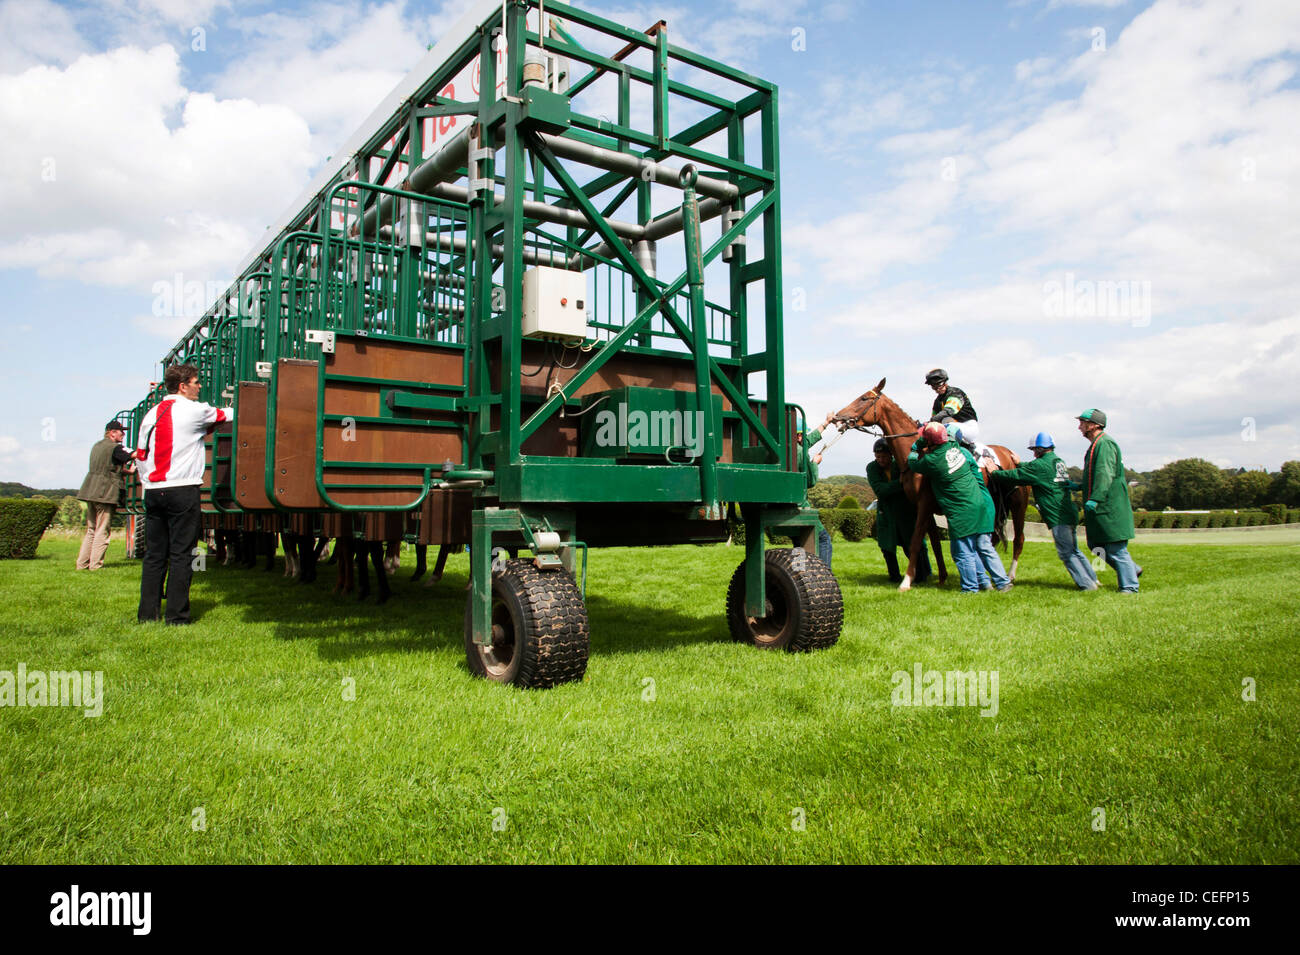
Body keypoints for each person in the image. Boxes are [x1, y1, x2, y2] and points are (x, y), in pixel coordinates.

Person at [135, 363, 232, 624]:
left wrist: (147, 483)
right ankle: (177, 616)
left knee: (154, 555)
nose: (199, 386)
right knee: (181, 554)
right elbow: (228, 415)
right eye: (196, 382)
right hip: (182, 489)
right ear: (182, 385)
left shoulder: (150, 414)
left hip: (153, 491)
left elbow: (141, 456)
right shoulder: (194, 410)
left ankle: (147, 615)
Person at [908, 421, 1011, 593]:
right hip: (980, 505)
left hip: (960, 512)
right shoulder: (963, 452)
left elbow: (912, 463)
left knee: (963, 553)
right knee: (984, 547)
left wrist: (914, 447)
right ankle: (1001, 582)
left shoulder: (932, 461)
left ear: (930, 442)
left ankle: (970, 589)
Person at [990, 432, 1098, 590]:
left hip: (1057, 515)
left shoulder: (1039, 466)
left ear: (1040, 449)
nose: (1033, 453)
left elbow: (1016, 475)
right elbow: (1035, 469)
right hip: (1069, 512)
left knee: (1066, 553)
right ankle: (1092, 579)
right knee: (1074, 550)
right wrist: (1020, 463)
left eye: (1035, 450)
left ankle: (1087, 585)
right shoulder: (1057, 461)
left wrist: (994, 472)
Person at [1075, 409, 1140, 593]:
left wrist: (1095, 498)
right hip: (1100, 506)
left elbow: (1105, 473)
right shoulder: (1096, 444)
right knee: (1095, 546)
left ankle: (1129, 587)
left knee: (1115, 549)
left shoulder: (1105, 443)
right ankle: (1132, 570)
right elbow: (1094, 476)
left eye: (1083, 422)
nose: (1079, 426)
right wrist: (1078, 486)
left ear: (1094, 425)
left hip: (1110, 506)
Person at [865, 437, 930, 584]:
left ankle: (921, 575)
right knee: (887, 548)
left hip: (905, 512)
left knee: (911, 545)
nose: (880, 460)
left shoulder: (900, 464)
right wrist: (900, 484)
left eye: (883, 456)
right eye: (877, 457)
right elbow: (880, 490)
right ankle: (894, 576)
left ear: (891, 455)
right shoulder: (872, 467)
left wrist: (896, 486)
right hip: (886, 513)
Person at [75, 420, 136, 570]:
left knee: (91, 530)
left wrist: (127, 472)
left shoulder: (97, 446)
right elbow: (134, 454)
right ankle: (96, 566)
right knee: (103, 529)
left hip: (90, 490)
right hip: (105, 491)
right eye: (122, 431)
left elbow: (106, 467)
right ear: (112, 432)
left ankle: (82, 565)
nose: (124, 434)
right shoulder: (115, 448)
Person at [798, 414, 834, 568]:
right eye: (802, 435)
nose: (804, 438)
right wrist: (814, 463)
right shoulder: (800, 452)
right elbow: (810, 481)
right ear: (798, 435)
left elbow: (808, 440)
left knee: (798, 543)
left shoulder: (783, 447)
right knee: (824, 539)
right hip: (799, 506)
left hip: (782, 506)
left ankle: (798, 574)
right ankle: (824, 575)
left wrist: (826, 422)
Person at [924, 368, 979, 442]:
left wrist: (929, 422)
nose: (937, 389)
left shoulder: (955, 393)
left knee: (947, 427)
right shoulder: (937, 401)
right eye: (934, 386)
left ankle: (970, 450)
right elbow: (934, 419)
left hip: (968, 426)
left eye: (939, 384)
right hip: (951, 426)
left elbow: (948, 411)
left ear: (945, 382)